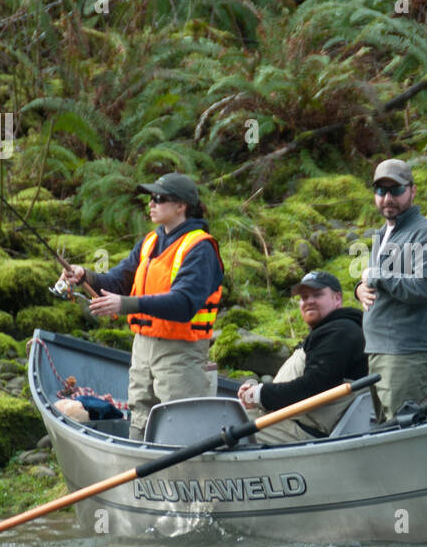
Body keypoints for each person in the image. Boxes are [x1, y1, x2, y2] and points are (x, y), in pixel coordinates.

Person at [59, 173, 224, 440]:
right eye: (150, 198)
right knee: (140, 418)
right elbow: (118, 280)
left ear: (181, 206)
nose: (151, 203)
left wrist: (124, 304)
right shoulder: (149, 242)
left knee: (180, 426)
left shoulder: (200, 248)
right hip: (143, 348)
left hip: (180, 352)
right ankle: (138, 472)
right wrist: (84, 275)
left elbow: (184, 303)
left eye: (159, 198)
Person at [352, 158, 427, 422]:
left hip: (407, 354)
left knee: (407, 432)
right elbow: (380, 282)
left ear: (413, 191)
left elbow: (426, 288)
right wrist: (360, 288)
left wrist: (378, 276)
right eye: (381, 191)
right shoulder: (383, 233)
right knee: (387, 434)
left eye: (396, 190)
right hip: (378, 351)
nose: (387, 198)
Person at [237, 271, 368, 444]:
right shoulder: (328, 331)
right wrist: (256, 393)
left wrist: (260, 395)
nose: (309, 301)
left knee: (228, 423)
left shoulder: (340, 332)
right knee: (234, 414)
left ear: (337, 298)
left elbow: (314, 385)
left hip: (306, 432)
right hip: (292, 421)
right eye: (304, 297)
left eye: (317, 295)